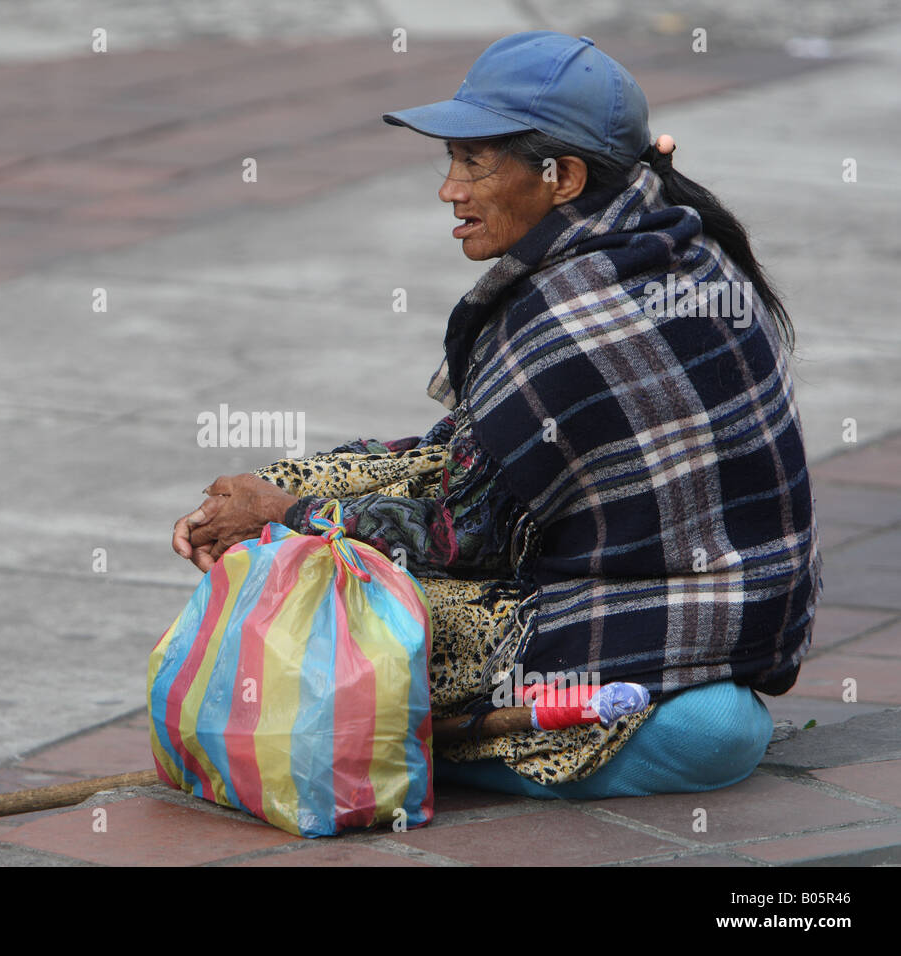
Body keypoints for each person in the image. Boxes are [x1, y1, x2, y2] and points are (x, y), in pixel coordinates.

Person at [171, 31, 822, 798]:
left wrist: (287, 522)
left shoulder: (574, 317)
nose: (451, 190)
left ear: (563, 176)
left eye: (474, 163)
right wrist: (281, 486)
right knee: (302, 556)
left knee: (328, 606)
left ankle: (405, 748)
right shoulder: (670, 242)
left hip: (657, 626)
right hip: (736, 628)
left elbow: (461, 533)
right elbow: (464, 455)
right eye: (451, 162)